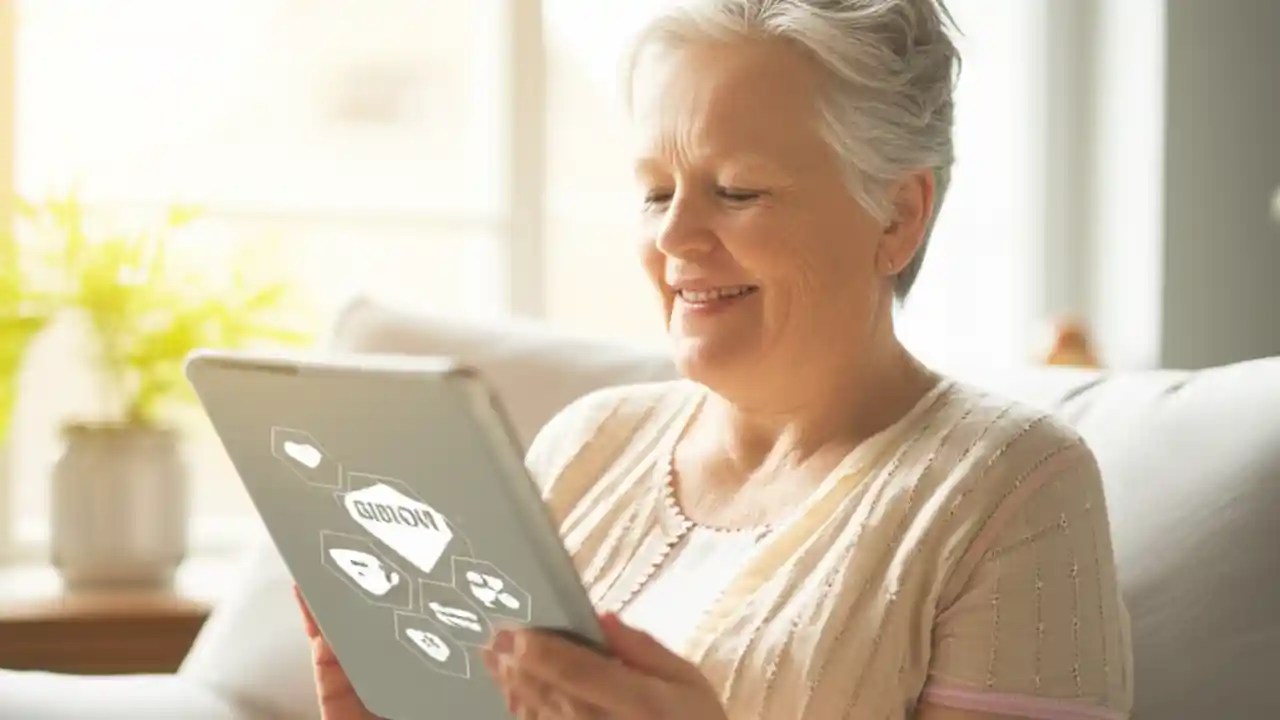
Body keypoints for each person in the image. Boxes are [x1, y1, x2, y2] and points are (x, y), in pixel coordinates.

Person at [297, 0, 1133, 717]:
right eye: (657, 192)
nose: (672, 237)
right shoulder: (584, 446)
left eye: (737, 191)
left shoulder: (1013, 491)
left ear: (897, 217)